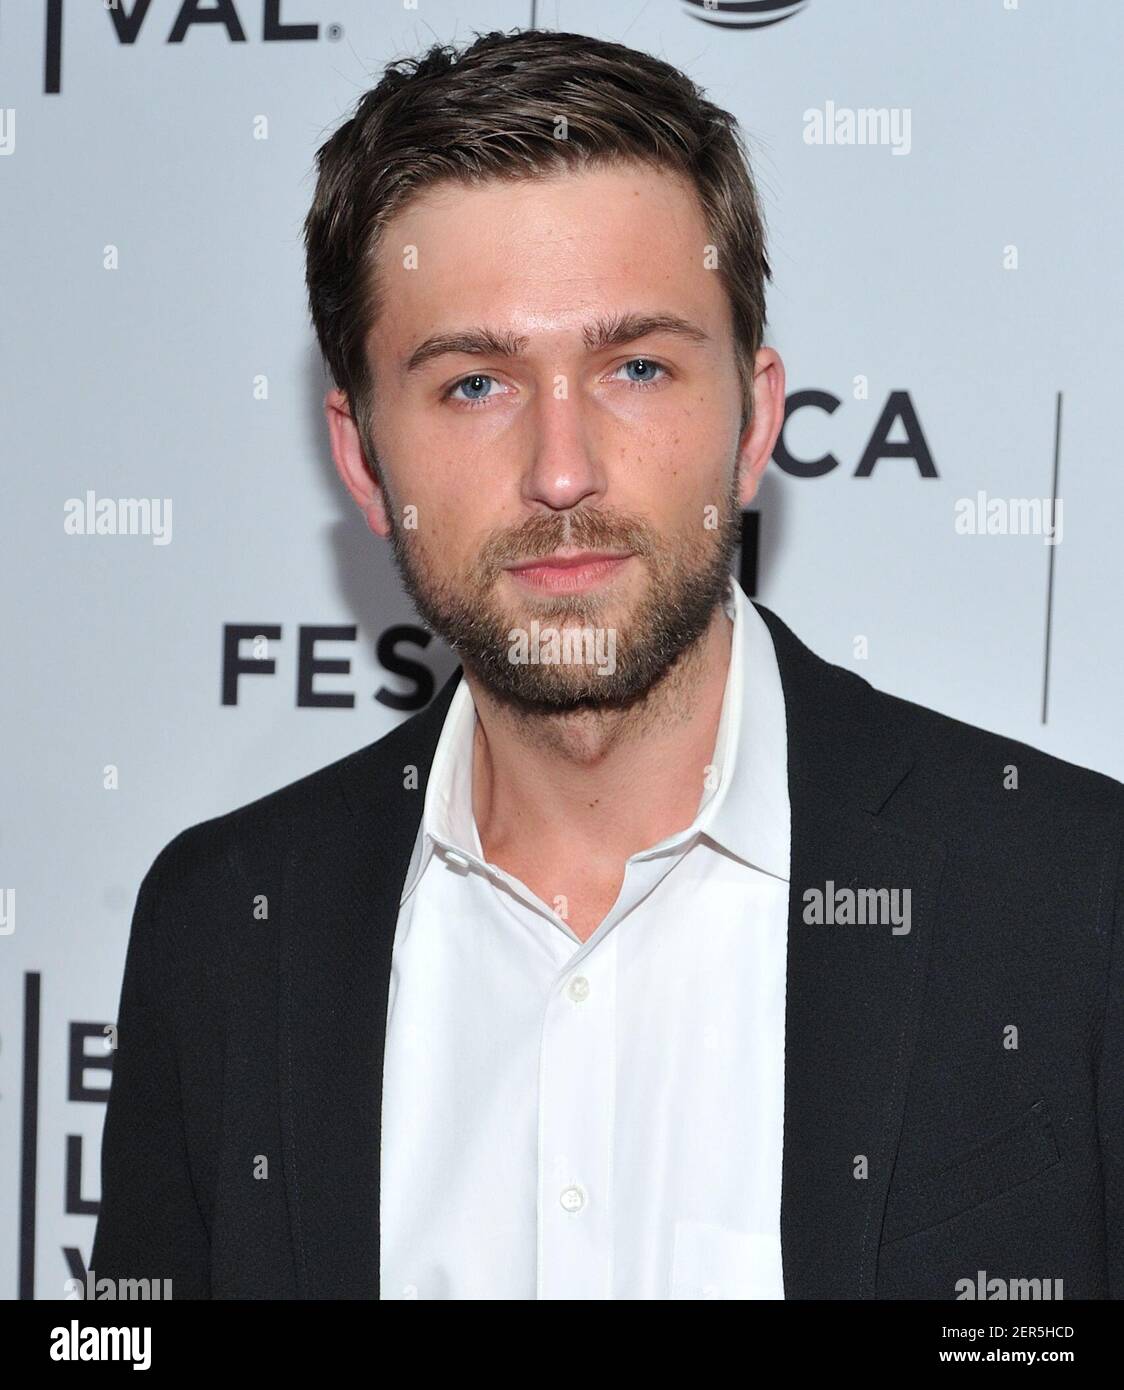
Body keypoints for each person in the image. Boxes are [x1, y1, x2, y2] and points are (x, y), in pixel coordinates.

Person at [92, 28, 1124, 1300]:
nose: (562, 468)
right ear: (363, 462)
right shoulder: (224, 930)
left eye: (636, 367)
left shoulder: (1071, 899)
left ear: (752, 428)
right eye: (474, 384)